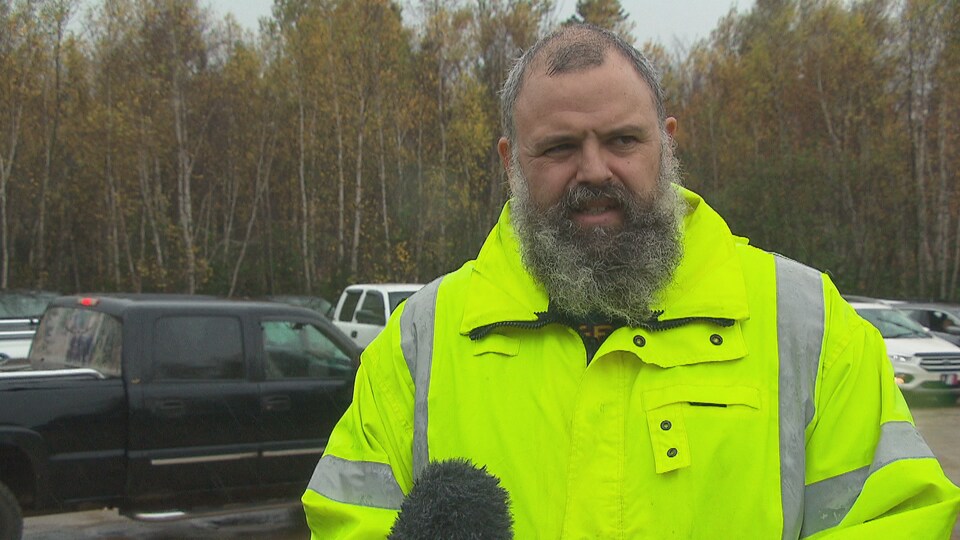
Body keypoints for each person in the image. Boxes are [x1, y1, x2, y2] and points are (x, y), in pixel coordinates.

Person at [302, 24, 960, 538]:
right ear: (511, 161)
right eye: (559, 147)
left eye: (622, 140)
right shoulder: (420, 342)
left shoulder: (808, 325)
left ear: (666, 142)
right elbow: (346, 521)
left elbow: (897, 520)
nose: (594, 170)